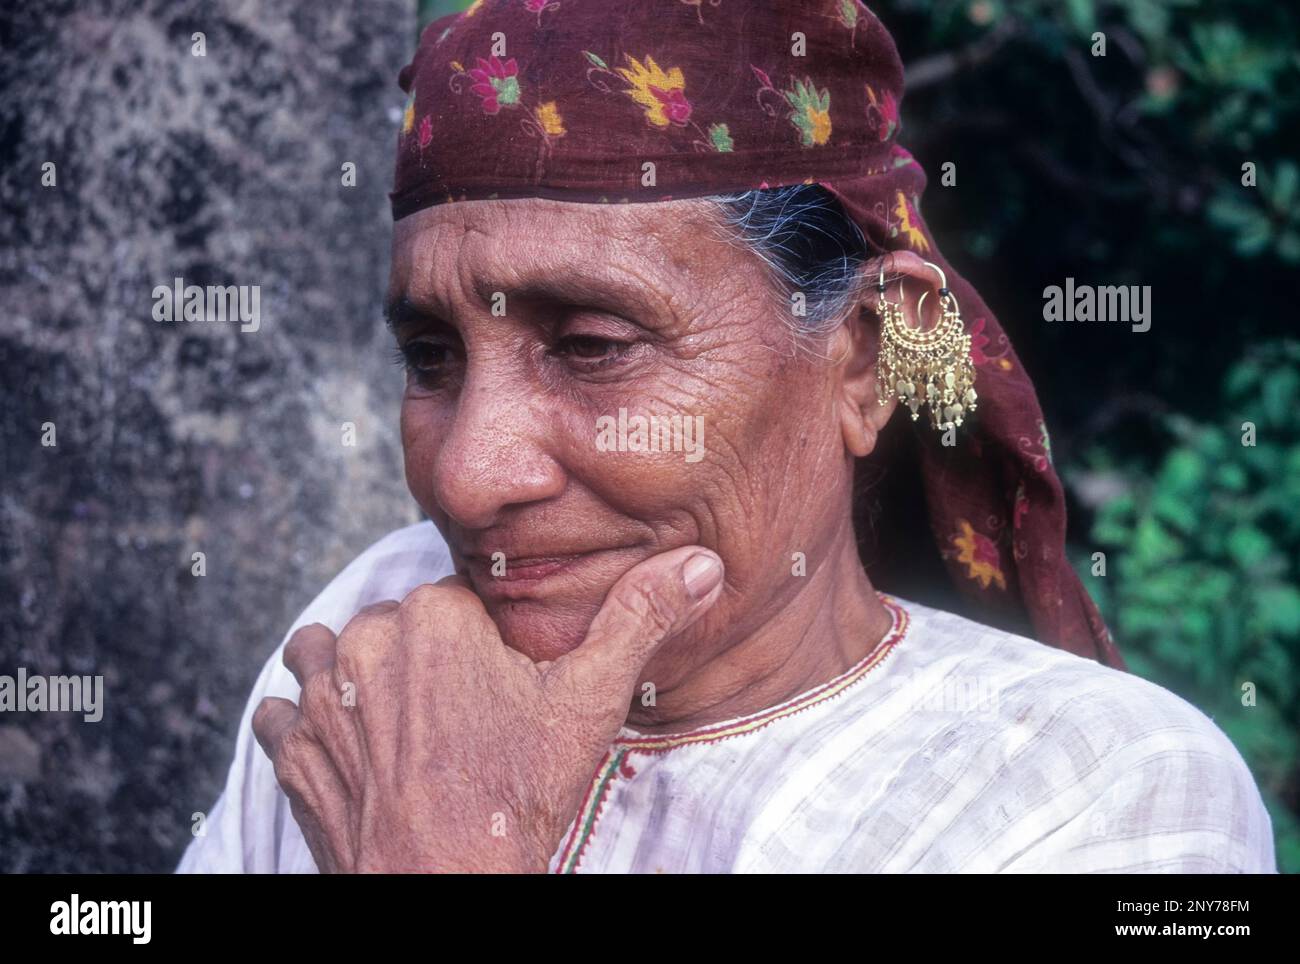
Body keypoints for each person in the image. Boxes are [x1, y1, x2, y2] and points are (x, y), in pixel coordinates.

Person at [178, 0, 1275, 873]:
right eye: (431, 356)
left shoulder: (1095, 792)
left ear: (863, 356)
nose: (467, 480)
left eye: (594, 344)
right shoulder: (377, 631)